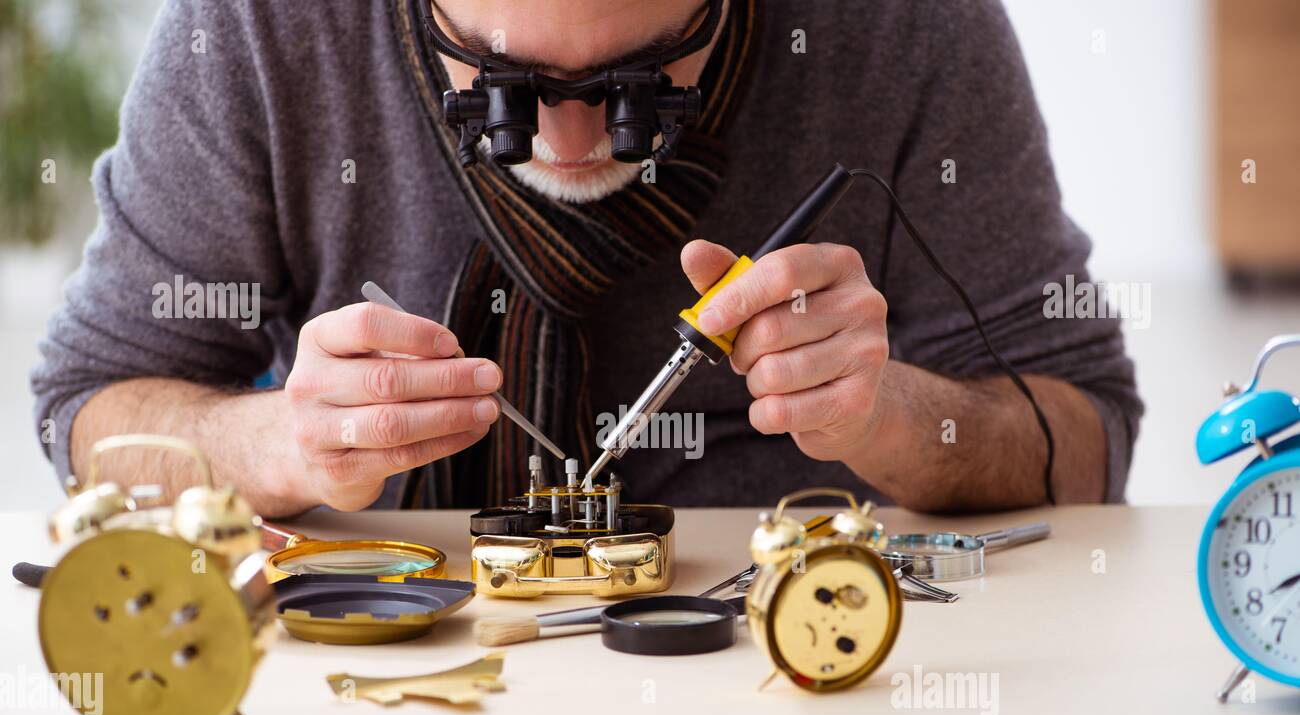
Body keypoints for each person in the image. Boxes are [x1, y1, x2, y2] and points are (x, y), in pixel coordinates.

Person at [31, 0, 1142, 517]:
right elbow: (86, 419)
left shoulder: (904, 29)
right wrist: (277, 440)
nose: (569, 146)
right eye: (498, 87)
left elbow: (1087, 443)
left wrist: (884, 414)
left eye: (646, 85)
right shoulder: (260, 31)